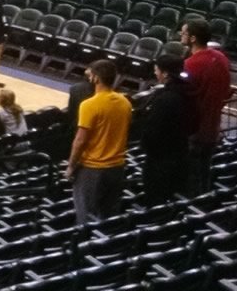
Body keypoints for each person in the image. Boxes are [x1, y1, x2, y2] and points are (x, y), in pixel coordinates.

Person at [68, 59, 131, 226]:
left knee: (85, 217)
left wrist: (71, 166)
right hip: (117, 167)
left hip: (93, 168)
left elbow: (80, 140)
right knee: (109, 215)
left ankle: (83, 250)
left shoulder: (89, 105)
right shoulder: (125, 102)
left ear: (96, 78)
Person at [139, 45, 194, 202]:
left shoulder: (165, 98)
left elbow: (153, 131)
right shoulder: (187, 92)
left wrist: (146, 146)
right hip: (180, 154)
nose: (155, 73)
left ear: (165, 74)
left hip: (161, 161)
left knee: (157, 200)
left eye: (157, 70)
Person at [180, 18, 229, 191]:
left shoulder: (191, 64)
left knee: (191, 176)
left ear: (193, 38)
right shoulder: (221, 58)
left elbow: (184, 97)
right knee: (204, 171)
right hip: (213, 125)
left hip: (195, 128)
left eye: (184, 33)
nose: (181, 35)